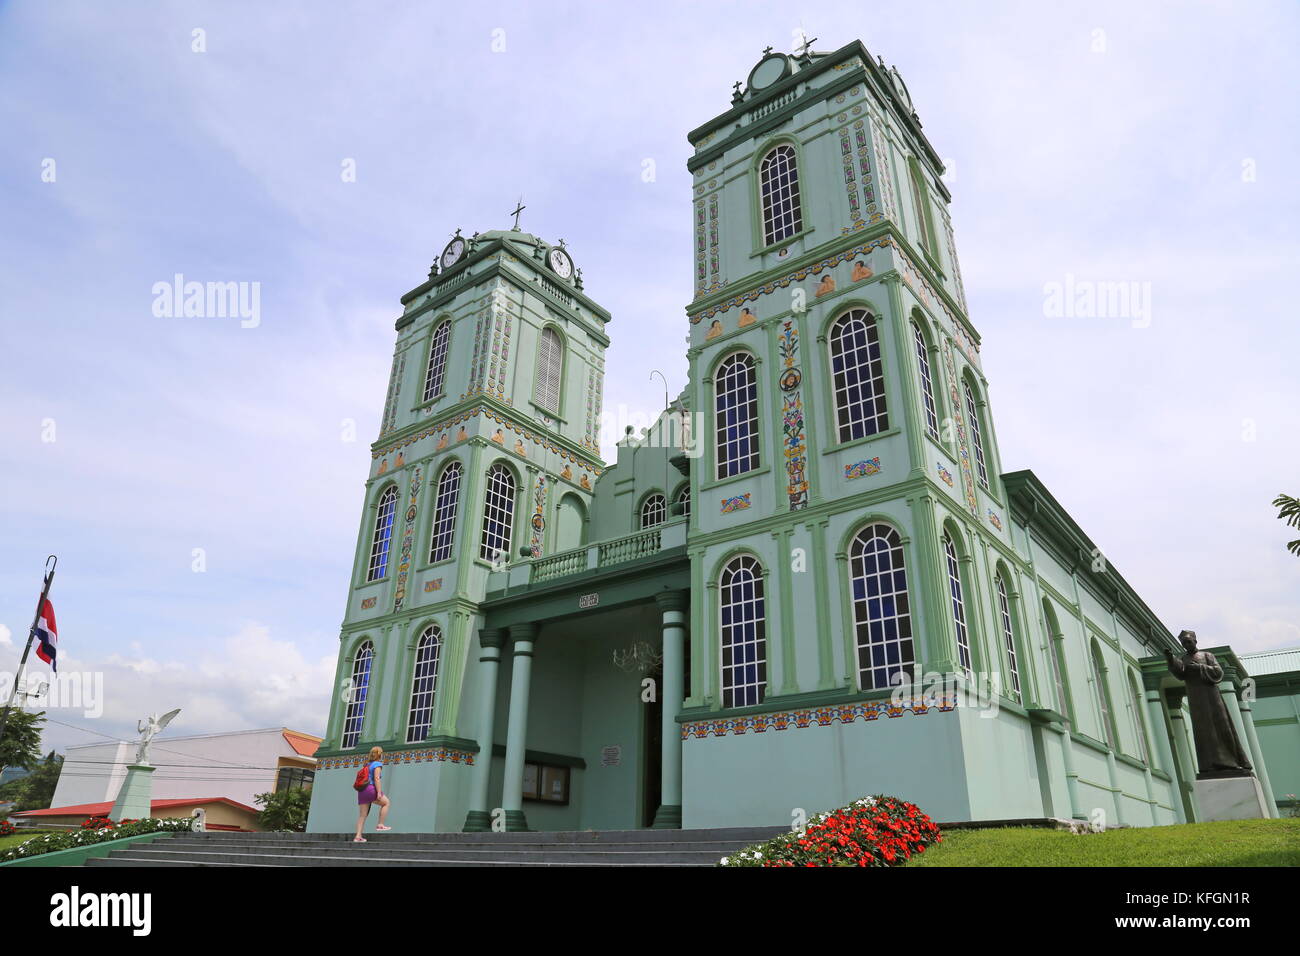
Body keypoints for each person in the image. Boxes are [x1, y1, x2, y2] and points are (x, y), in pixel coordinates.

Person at [354, 745, 392, 842]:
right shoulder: (377, 764)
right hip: (371, 789)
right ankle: (380, 824)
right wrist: (379, 792)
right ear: (379, 755)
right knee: (386, 803)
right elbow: (376, 778)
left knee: (362, 815)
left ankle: (358, 836)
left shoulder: (367, 765)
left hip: (362, 791)